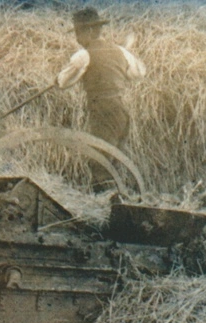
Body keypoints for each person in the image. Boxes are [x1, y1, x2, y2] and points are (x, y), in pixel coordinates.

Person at [56, 8, 146, 188]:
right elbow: (139, 74)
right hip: (121, 111)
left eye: (78, 33)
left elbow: (63, 82)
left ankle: (105, 205)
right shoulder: (121, 52)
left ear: (89, 31)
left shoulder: (84, 55)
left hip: (102, 111)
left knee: (100, 161)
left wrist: (56, 80)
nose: (77, 39)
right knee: (115, 161)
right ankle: (117, 199)